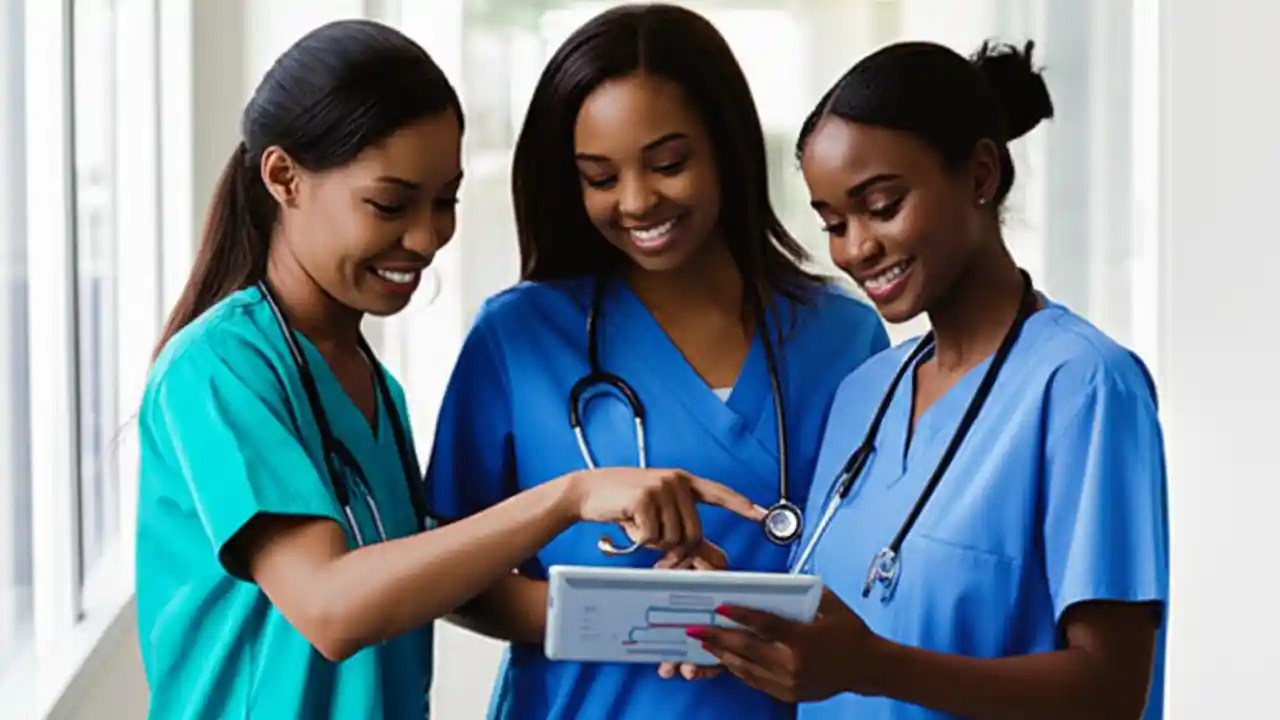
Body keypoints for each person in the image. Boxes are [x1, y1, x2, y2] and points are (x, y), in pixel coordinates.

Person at [134, 19, 763, 720]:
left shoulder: (373, 389)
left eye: (445, 201)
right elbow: (333, 608)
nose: (426, 236)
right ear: (284, 177)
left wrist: (658, 613)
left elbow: (426, 583)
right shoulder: (218, 370)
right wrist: (568, 497)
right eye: (390, 204)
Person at [423, 4, 889, 720]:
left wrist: (739, 613)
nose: (637, 201)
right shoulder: (518, 337)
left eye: (669, 164)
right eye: (600, 178)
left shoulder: (845, 339)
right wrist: (642, 615)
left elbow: (872, 574)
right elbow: (445, 573)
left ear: (727, 149)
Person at [693, 40, 1170, 720]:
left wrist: (874, 667)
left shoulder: (1084, 386)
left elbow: (1111, 690)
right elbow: (827, 635)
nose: (856, 247)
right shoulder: (864, 394)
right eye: (834, 223)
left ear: (980, 174)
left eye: (882, 205)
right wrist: (711, 617)